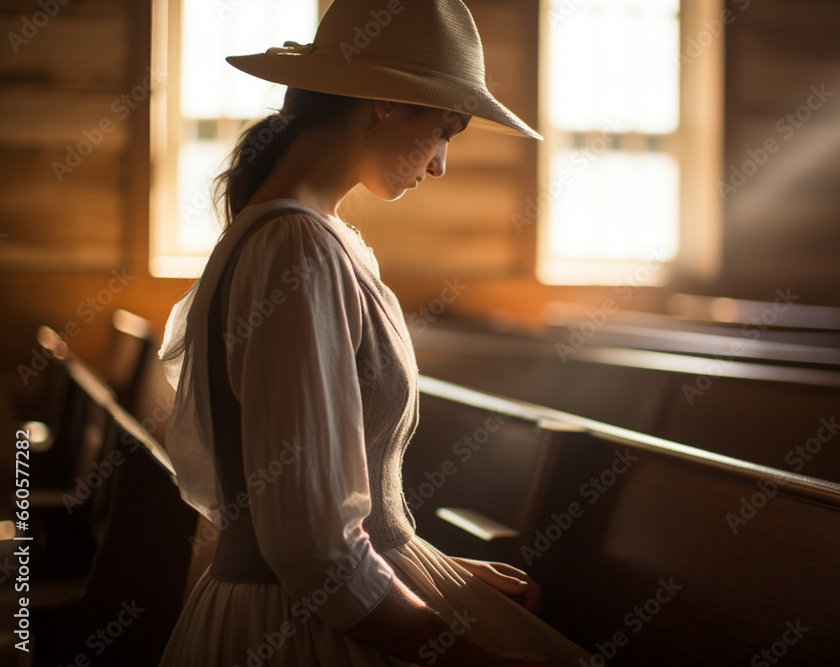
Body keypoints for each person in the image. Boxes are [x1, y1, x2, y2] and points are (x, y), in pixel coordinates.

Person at [157, 1, 590, 665]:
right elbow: (311, 548)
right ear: (385, 101)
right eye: (446, 128)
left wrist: (422, 565)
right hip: (296, 627)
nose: (440, 163)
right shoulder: (296, 246)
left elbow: (318, 516)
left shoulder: (301, 234)